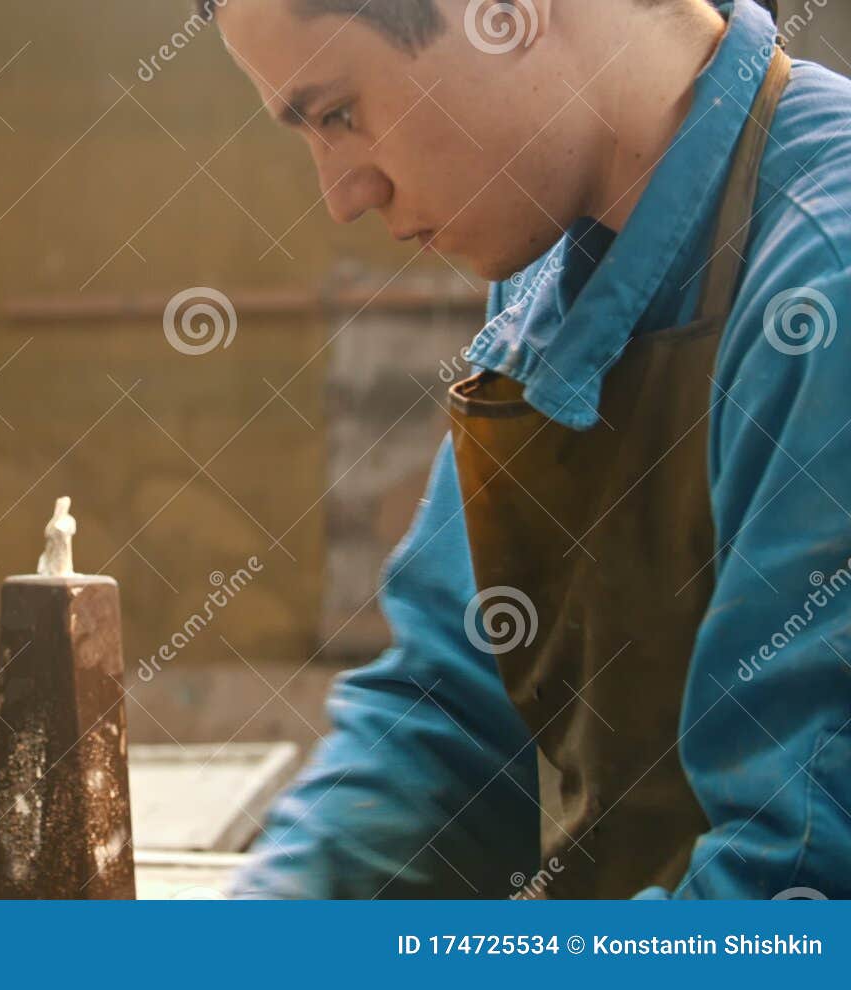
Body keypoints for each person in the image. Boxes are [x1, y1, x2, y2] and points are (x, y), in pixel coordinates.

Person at [207, 0, 851, 898]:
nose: (343, 195)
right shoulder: (545, 271)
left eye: (339, 112)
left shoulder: (825, 279)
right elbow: (453, 718)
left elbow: (798, 892)